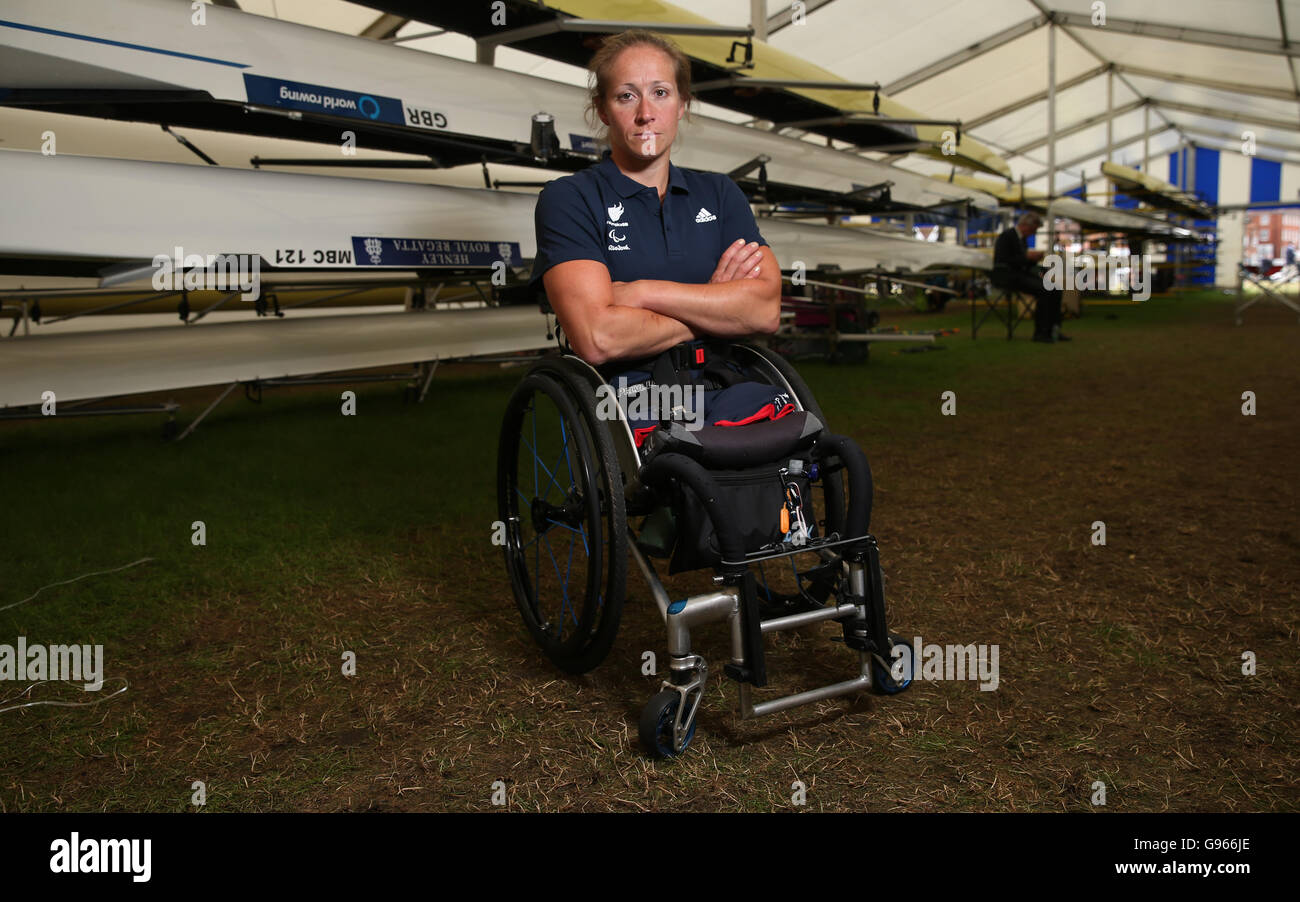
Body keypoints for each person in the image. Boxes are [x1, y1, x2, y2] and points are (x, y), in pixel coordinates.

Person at [528, 29, 782, 367]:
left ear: (681, 104)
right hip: (626, 405)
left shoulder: (720, 194)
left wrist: (643, 292)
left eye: (660, 92)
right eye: (626, 96)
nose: (646, 113)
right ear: (602, 110)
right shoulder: (569, 199)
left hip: (726, 391)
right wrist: (713, 306)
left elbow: (764, 312)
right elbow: (599, 338)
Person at [991, 212, 1069, 342]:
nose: (1034, 233)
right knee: (1045, 291)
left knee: (1056, 289)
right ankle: (1041, 332)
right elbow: (1002, 260)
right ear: (1026, 225)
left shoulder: (1021, 239)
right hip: (1009, 276)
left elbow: (1021, 261)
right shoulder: (1007, 236)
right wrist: (1026, 258)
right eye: (1034, 229)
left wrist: (1033, 260)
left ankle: (1054, 330)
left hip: (1020, 274)